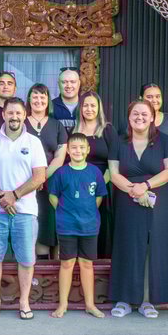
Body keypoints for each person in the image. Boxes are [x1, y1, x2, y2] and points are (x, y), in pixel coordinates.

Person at [107, 100, 168, 317]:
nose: (140, 117)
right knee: (128, 246)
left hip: (159, 201)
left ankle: (148, 300)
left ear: (152, 116)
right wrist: (134, 190)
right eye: (135, 114)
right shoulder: (119, 142)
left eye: (144, 114)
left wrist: (145, 186)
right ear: (129, 118)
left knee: (152, 248)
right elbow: (114, 172)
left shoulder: (164, 141)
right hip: (127, 201)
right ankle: (124, 299)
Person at [0, 97, 47, 321]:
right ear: (4, 115)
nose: (14, 117)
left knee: (27, 259)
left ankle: (24, 302)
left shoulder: (33, 142)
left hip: (25, 211)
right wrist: (1, 196)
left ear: (25, 115)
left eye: (18, 113)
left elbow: (40, 176)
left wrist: (14, 195)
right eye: (10, 113)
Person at [46, 132, 106, 318]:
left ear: (88, 150)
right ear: (68, 151)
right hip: (67, 225)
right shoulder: (62, 172)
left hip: (89, 225)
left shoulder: (94, 172)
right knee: (67, 263)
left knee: (87, 264)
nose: (77, 150)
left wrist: (86, 212)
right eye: (74, 147)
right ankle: (62, 304)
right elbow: (53, 196)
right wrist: (65, 212)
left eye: (82, 147)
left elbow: (99, 196)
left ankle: (90, 304)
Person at [25, 84, 68, 258]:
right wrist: (34, 180)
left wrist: (42, 177)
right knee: (32, 224)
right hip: (25, 183)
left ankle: (52, 271)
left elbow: (60, 156)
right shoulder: (21, 123)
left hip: (51, 183)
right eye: (35, 96)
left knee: (50, 224)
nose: (38, 100)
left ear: (48, 101)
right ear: (29, 99)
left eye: (42, 97)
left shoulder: (56, 125)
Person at [74, 92, 115, 257]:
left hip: (103, 186)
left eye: (93, 105)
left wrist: (98, 186)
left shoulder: (107, 130)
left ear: (99, 108)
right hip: (78, 188)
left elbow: (115, 162)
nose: (89, 109)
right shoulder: (74, 130)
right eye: (85, 105)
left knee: (102, 229)